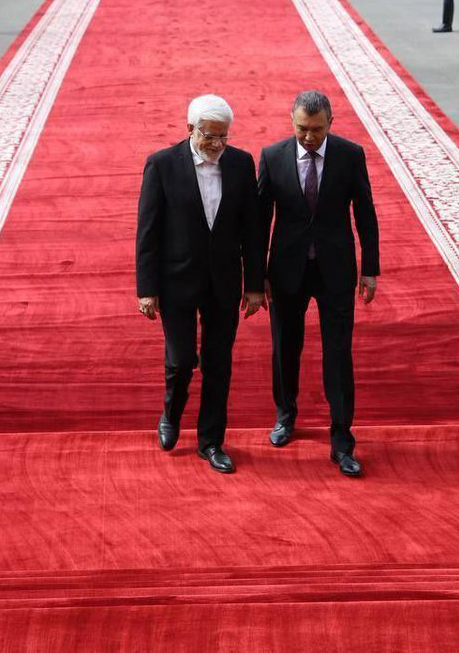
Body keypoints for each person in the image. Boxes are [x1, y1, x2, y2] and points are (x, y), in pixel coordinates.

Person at [135, 95, 265, 474]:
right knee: (181, 360)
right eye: (210, 136)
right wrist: (147, 288)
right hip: (176, 281)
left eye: (223, 137)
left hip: (224, 281)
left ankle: (211, 441)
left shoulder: (241, 164)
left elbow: (252, 231)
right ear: (190, 129)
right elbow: (148, 232)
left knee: (218, 363)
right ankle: (170, 413)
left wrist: (255, 284)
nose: (218, 145)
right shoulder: (161, 165)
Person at [259, 90, 380, 478]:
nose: (308, 137)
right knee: (285, 348)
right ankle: (285, 414)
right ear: (290, 121)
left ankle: (342, 438)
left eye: (315, 129)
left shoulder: (349, 155)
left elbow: (365, 211)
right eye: (301, 129)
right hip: (286, 270)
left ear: (331, 122)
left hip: (335, 270)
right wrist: (255, 275)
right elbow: (260, 220)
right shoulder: (273, 156)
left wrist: (370, 268)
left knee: (338, 354)